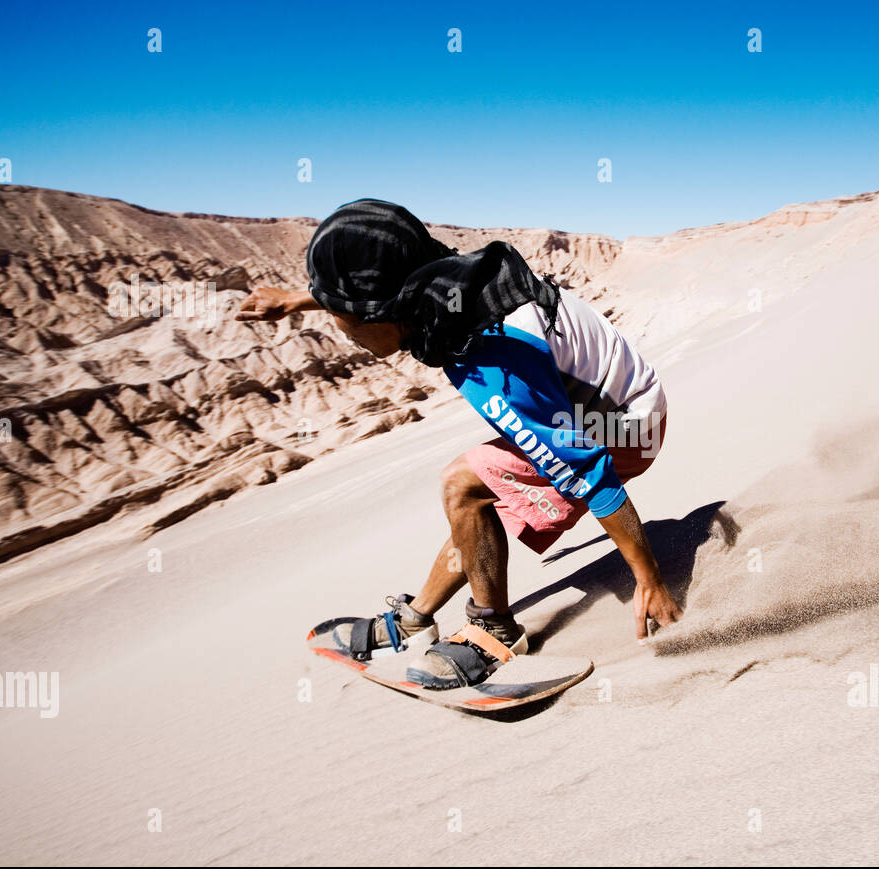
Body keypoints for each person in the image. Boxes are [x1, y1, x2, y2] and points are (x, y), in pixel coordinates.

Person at [238, 199, 681, 689]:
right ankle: (415, 618)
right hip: (611, 402)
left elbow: (586, 469)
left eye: (343, 315)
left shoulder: (492, 356)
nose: (342, 331)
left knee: (464, 485)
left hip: (623, 425)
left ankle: (494, 631)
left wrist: (650, 579)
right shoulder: (447, 285)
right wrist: (298, 299)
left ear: (383, 311)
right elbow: (390, 285)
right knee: (477, 498)